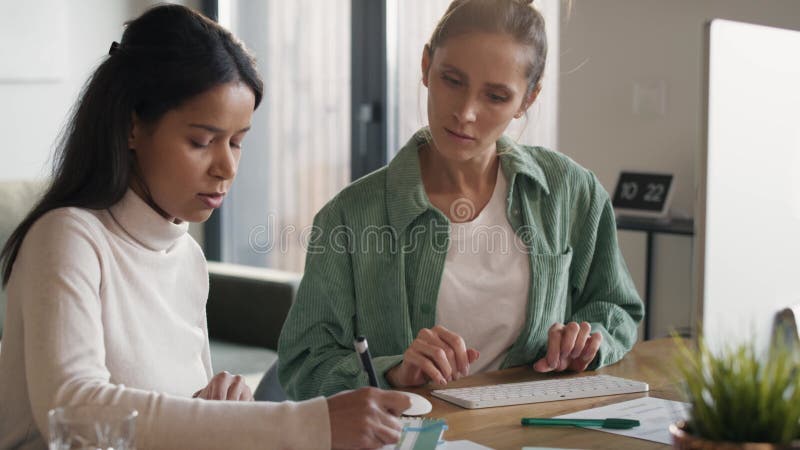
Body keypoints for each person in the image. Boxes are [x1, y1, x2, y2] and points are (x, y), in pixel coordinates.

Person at [0, 5, 409, 450]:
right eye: (202, 141)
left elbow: (163, 419)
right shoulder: (67, 237)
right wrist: (305, 424)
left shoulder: (186, 257)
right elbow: (74, 410)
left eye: (237, 142)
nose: (226, 167)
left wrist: (213, 404)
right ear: (132, 126)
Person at [278, 0, 644, 400]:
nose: (465, 112)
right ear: (425, 66)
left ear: (528, 99)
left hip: (535, 431)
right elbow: (304, 368)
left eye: (496, 96)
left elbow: (614, 307)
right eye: (452, 80)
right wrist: (395, 372)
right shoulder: (348, 217)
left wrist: (588, 340)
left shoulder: (572, 192)